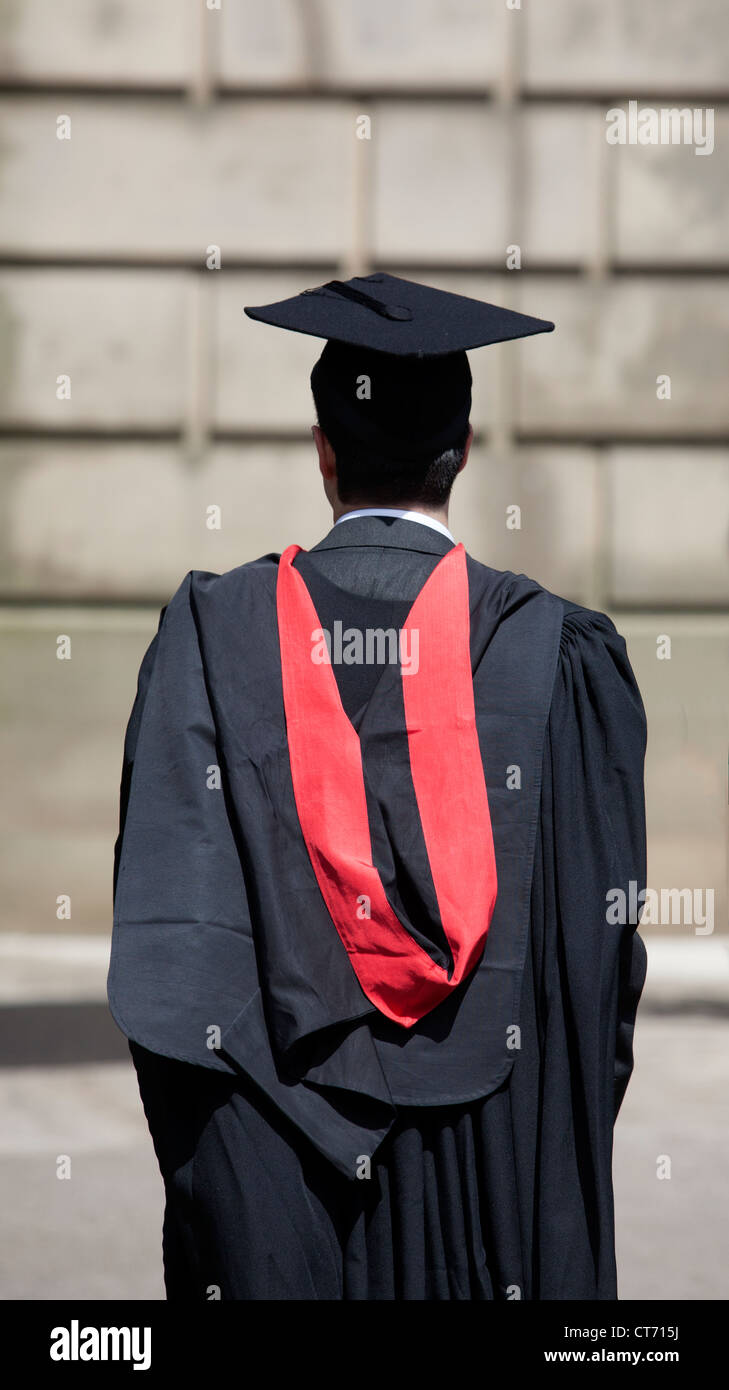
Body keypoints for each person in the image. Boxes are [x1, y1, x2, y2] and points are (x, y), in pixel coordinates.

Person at [108, 273, 647, 1301]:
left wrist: (243, 1188)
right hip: (497, 1179)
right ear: (465, 450)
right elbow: (599, 955)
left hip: (281, 1184)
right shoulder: (558, 658)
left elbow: (171, 946)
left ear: (323, 454)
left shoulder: (213, 639)